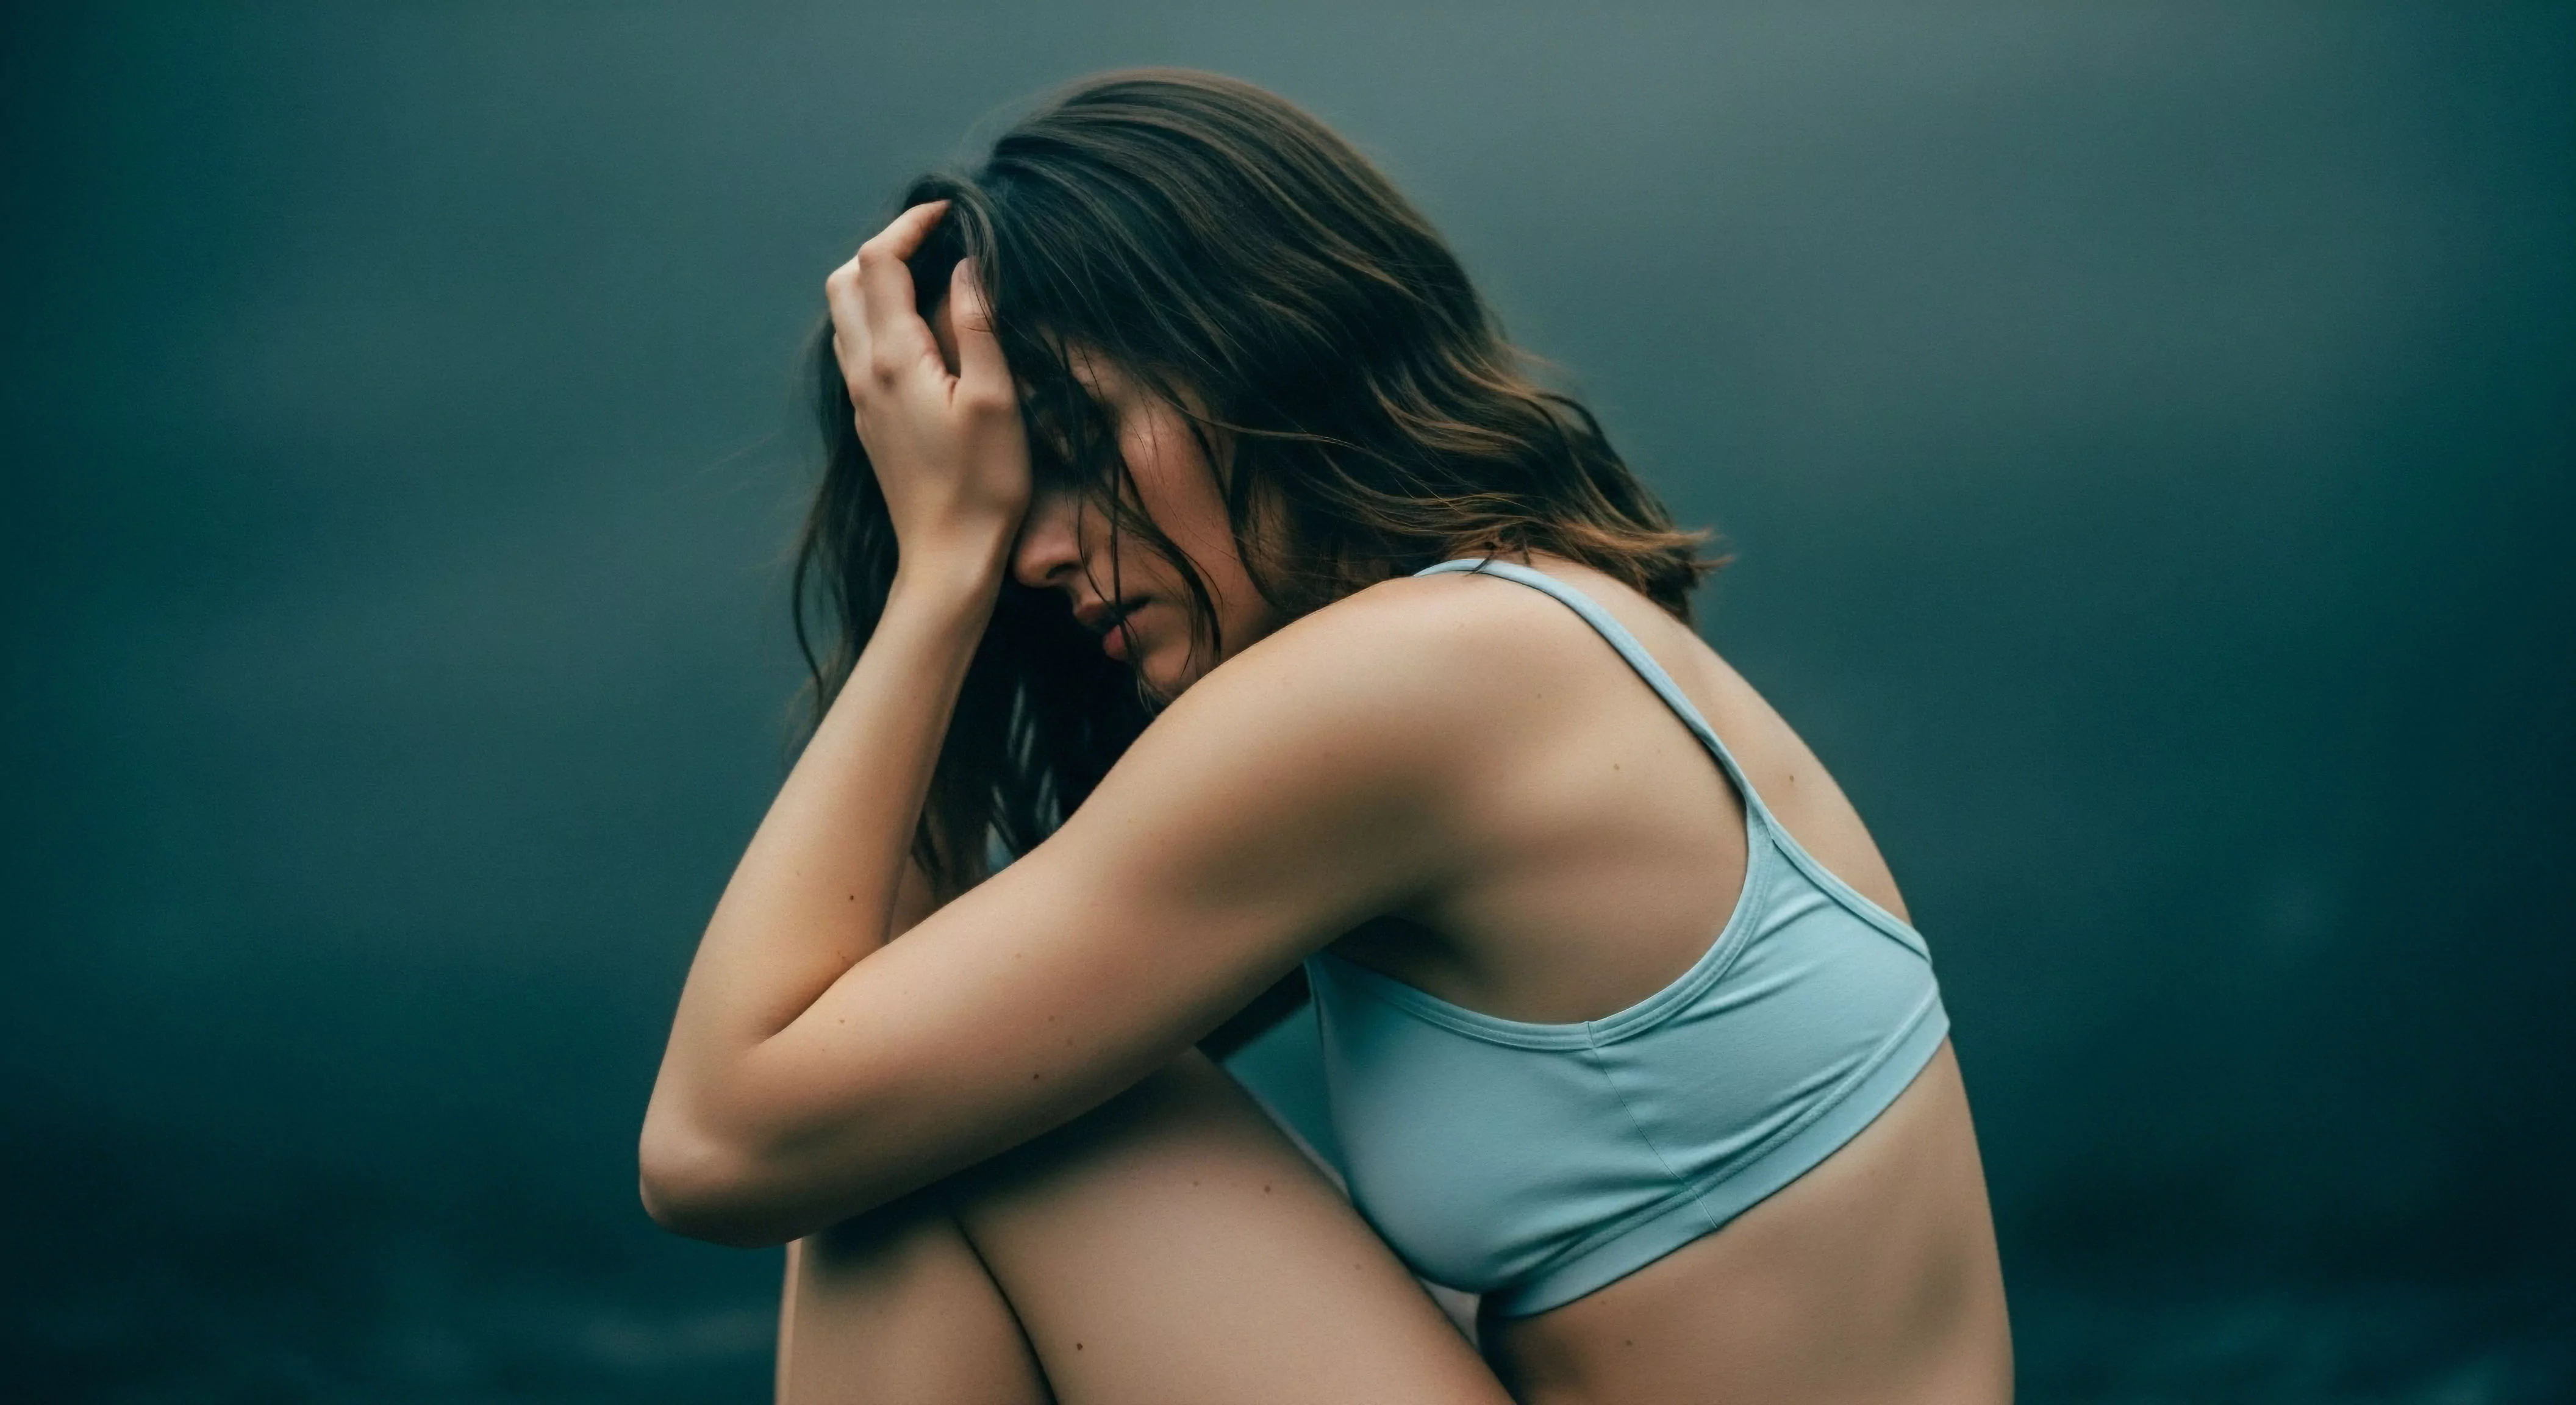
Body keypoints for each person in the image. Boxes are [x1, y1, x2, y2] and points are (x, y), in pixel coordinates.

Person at [640, 68, 2013, 1404]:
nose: (1033, 550)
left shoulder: (1419, 683)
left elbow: (721, 1143)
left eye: (1075, 438)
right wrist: (947, 567)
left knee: (915, 1139)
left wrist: (935, 591)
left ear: (1259, 352)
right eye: (1001, 497)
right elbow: (862, 1046)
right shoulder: (1523, 633)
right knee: (907, 1111)